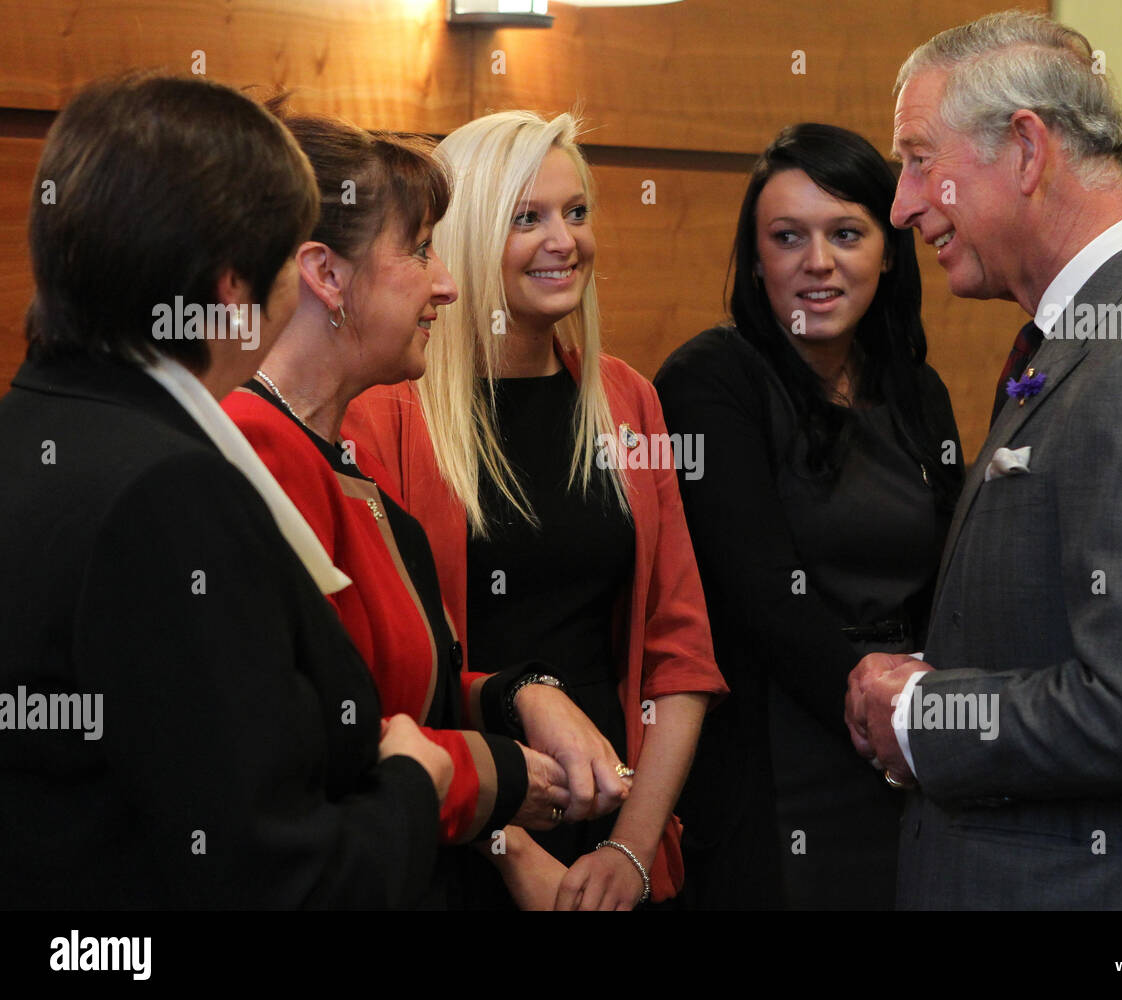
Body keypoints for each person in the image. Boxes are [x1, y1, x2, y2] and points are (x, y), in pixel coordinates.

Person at [846, 10, 1122, 908]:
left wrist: (920, 713)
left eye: (918, 160)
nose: (900, 206)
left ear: (1025, 150)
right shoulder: (1099, 331)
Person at [0, 73, 453, 908]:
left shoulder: (34, 426)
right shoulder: (171, 491)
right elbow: (274, 880)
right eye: (289, 259)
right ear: (233, 289)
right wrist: (412, 787)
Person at [344, 110, 728, 910]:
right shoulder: (385, 411)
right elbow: (380, 676)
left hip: (612, 834)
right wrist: (506, 845)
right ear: (470, 236)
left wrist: (632, 850)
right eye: (528, 218)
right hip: (458, 835)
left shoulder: (628, 401)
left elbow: (680, 649)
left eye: (576, 212)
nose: (565, 240)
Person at [220, 107, 587, 906]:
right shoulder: (258, 451)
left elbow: (401, 687)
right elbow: (325, 753)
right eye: (420, 251)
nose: (447, 283)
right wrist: (495, 779)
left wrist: (522, 693)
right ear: (326, 275)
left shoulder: (337, 455)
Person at [653, 123, 963, 909]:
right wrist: (870, 702)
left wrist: (923, 706)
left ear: (888, 252)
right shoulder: (707, 381)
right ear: (757, 262)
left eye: (846, 234)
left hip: (911, 747)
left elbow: (951, 567)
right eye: (787, 237)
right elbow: (758, 590)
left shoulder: (915, 388)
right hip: (777, 756)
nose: (816, 263)